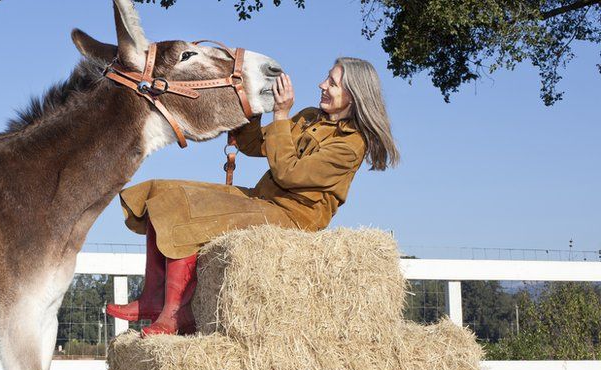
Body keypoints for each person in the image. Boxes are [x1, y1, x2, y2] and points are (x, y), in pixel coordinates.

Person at [107, 57, 400, 336]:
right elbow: (253, 145)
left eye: (333, 83)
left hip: (293, 217)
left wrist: (282, 115)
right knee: (163, 191)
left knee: (188, 211)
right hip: (261, 200)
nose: (322, 85)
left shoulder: (351, 144)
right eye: (327, 78)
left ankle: (175, 312)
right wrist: (254, 104)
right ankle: (153, 297)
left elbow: (289, 173)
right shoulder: (310, 117)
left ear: (355, 94)